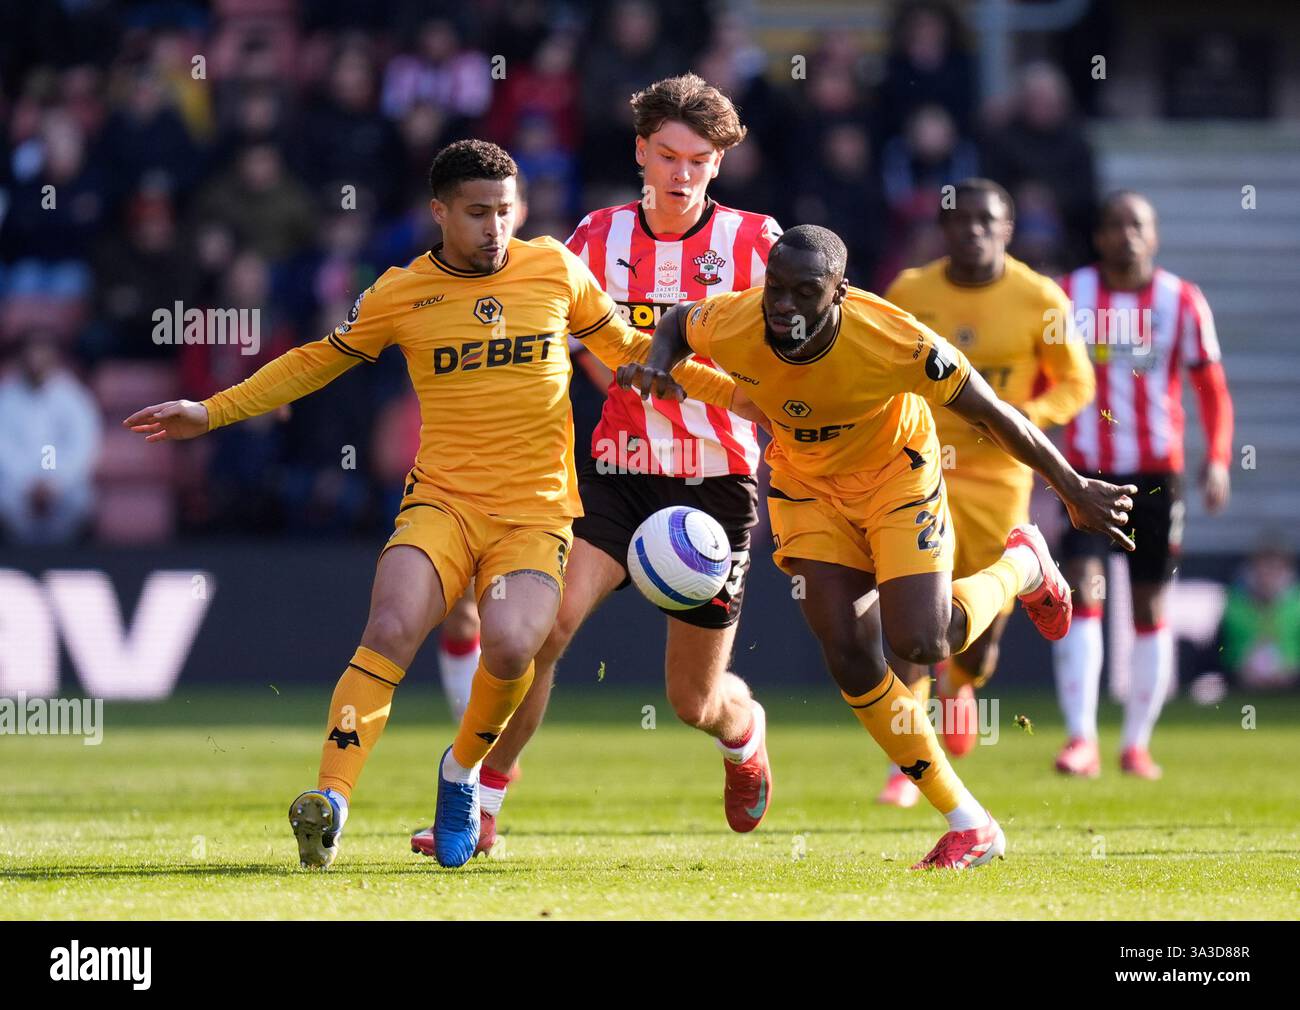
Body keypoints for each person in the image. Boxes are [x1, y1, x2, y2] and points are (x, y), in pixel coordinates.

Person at [122, 139, 737, 870]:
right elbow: (318, 359)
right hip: (442, 504)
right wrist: (212, 411)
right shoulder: (401, 292)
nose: (494, 228)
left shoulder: (554, 270)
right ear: (439, 211)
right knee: (390, 627)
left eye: (505, 211)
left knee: (513, 647)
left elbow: (631, 347)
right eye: (476, 213)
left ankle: (460, 771)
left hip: (536, 515)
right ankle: (332, 800)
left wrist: (741, 398)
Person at [619, 224, 1136, 869]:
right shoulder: (735, 318)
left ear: (839, 292)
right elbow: (676, 321)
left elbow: (992, 412)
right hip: (807, 486)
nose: (782, 306)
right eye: (775, 287)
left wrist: (1071, 488)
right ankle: (968, 822)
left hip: (896, 476)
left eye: (804, 292)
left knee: (924, 642)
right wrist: (660, 364)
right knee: (849, 654)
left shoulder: (895, 338)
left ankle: (1023, 564)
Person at [411, 73, 782, 858]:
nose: (683, 174)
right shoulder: (595, 237)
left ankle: (743, 730)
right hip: (618, 469)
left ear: (718, 164)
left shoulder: (755, 243)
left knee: (692, 701)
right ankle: (484, 802)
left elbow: (790, 344)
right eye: (669, 156)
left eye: (699, 161)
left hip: (717, 482)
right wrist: (620, 373)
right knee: (543, 631)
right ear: (641, 152)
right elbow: (572, 333)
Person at [877, 178, 1094, 806]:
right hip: (917, 468)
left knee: (981, 636)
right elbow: (880, 369)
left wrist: (1024, 419)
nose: (972, 229)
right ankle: (906, 765)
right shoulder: (910, 292)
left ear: (1008, 228)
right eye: (960, 219)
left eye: (985, 220)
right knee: (909, 612)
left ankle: (962, 683)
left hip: (1000, 476)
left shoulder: (1039, 297)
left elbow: (1076, 383)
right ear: (943, 228)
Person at [1052, 190, 1233, 780]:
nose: (1126, 235)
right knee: (1084, 591)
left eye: (1137, 225)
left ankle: (1136, 744)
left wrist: (1219, 458)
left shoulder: (1182, 300)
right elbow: (1042, 376)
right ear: (1098, 236)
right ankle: (1081, 739)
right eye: (1114, 225)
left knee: (1150, 603)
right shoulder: (1066, 296)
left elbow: (1211, 388)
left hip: (1156, 474)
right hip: (1084, 471)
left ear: (1153, 236)